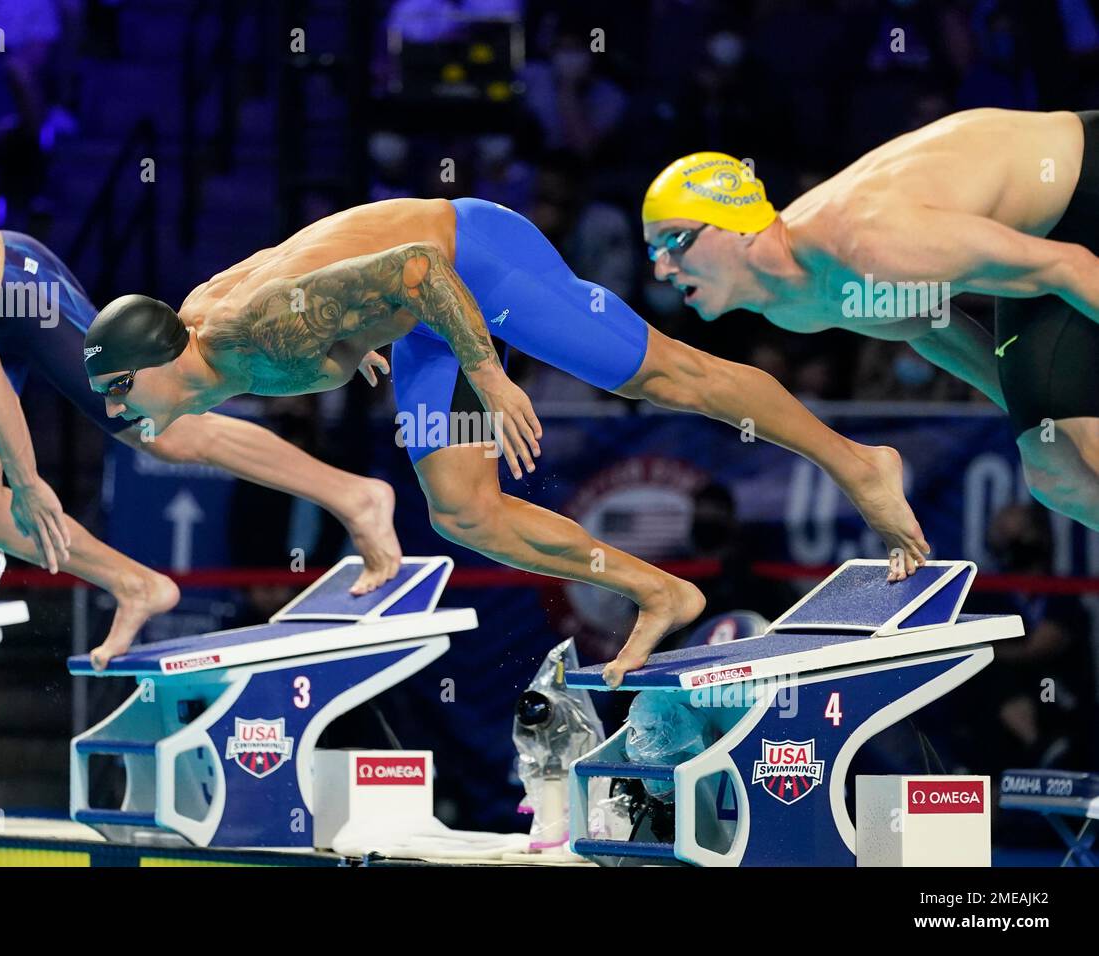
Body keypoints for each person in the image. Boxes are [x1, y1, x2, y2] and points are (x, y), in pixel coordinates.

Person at [84, 197, 930, 687]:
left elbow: (414, 264)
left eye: (120, 392)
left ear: (156, 361)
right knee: (462, 512)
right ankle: (661, 593)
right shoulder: (212, 319)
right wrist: (355, 330)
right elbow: (317, 267)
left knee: (669, 377)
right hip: (423, 314)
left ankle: (860, 465)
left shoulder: (246, 332)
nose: (124, 415)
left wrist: (487, 373)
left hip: (472, 260)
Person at [0, 228, 402, 667]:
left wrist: (29, 480)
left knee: (164, 431)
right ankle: (137, 585)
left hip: (14, 285)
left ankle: (354, 495)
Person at [642, 111, 1099, 532]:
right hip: (1050, 237)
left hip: (1085, 178)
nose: (662, 268)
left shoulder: (864, 241)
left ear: (735, 224)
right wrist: (1033, 411)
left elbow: (1071, 267)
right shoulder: (792, 308)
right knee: (1056, 470)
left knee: (1087, 446)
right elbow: (931, 325)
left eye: (675, 241)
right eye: (653, 251)